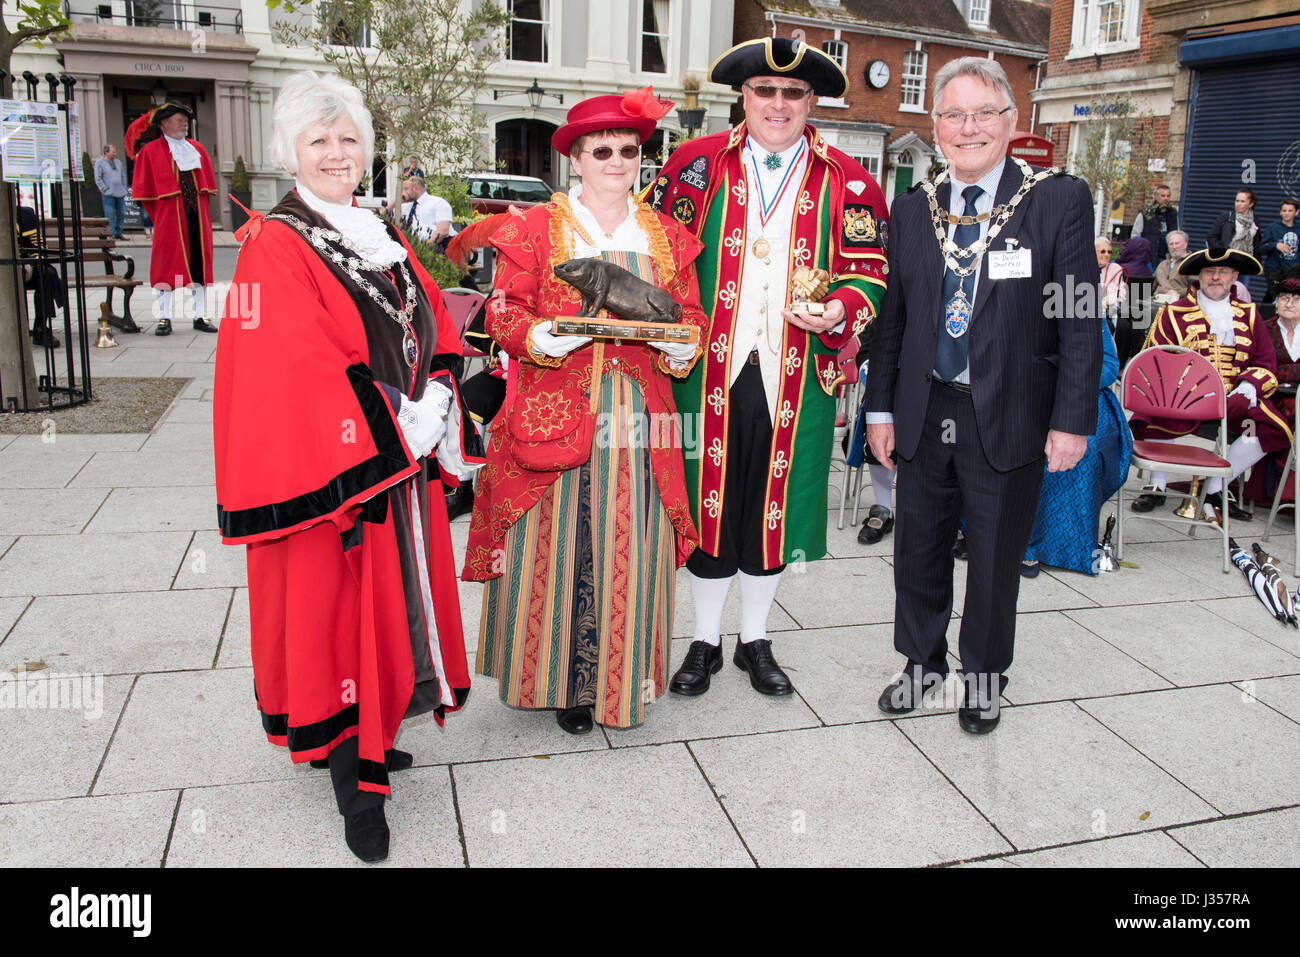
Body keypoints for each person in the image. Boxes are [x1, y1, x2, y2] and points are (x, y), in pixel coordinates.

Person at [213, 71, 478, 863]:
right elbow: (290, 365)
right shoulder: (275, 245)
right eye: (318, 140)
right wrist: (397, 421)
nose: (336, 152)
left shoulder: (378, 229)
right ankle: (355, 787)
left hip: (398, 464)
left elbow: (432, 316)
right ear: (289, 151)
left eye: (348, 138)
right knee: (337, 617)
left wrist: (436, 390)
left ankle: (375, 731)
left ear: (367, 149)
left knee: (394, 607)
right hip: (335, 479)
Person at [462, 88, 708, 735]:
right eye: (603, 149)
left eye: (630, 149)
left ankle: (621, 681)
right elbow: (503, 310)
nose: (618, 160)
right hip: (555, 408)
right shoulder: (538, 228)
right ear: (575, 158)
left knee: (632, 544)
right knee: (560, 543)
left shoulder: (665, 237)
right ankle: (562, 684)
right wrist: (536, 337)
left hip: (638, 414)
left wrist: (679, 349)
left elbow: (691, 320)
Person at [647, 37, 888, 697]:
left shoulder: (850, 179)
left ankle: (755, 637)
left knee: (772, 508)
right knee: (707, 501)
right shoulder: (693, 166)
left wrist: (840, 308)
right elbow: (653, 258)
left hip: (798, 373)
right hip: (704, 370)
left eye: (792, 94)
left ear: (810, 101)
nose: (777, 104)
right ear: (743, 97)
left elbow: (871, 273)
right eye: (764, 91)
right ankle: (703, 639)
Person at [865, 57, 1100, 734]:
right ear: (935, 126)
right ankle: (920, 665)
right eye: (954, 115)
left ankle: (984, 679)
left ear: (1010, 121)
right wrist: (880, 407)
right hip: (926, 405)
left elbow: (1079, 313)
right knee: (917, 547)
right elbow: (895, 321)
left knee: (997, 556)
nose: (969, 129)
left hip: (1011, 411)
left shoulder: (1056, 199)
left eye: (983, 114)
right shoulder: (913, 209)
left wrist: (1073, 419)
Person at [1129, 247, 1290, 523]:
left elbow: (1266, 363)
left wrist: (1247, 389)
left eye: (1223, 272)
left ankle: (1215, 488)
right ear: (1200, 275)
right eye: (1209, 271)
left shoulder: (1250, 314)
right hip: (1183, 397)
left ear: (1235, 276)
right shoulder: (1173, 312)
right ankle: (1157, 484)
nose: (1216, 277)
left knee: (1267, 429)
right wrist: (1186, 392)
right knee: (1155, 412)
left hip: (1235, 399)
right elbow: (1155, 362)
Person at [1022, 324, 1132, 575]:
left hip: (1076, 397)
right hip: (1023, 395)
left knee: (1086, 450)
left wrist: (1068, 384)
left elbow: (1108, 366)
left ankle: (1059, 548)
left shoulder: (1080, 300)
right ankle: (1015, 542)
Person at [130, 103, 217, 336]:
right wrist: (159, 217)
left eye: (185, 120)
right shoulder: (150, 151)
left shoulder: (196, 148)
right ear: (164, 124)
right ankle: (163, 318)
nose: (184, 124)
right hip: (169, 221)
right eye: (179, 120)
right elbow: (144, 191)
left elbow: (206, 186)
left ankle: (200, 315)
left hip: (197, 218)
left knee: (199, 268)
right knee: (165, 267)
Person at [1246, 269, 1300, 506]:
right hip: (1267, 398)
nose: (1289, 303)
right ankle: (1282, 493)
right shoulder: (1262, 328)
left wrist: (1282, 372)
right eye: (1284, 297)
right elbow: (1261, 369)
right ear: (1275, 301)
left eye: (1296, 299)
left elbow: (1277, 369)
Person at [1261, 198, 1299, 302]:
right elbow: (1261, 248)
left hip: (1294, 271)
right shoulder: (1273, 228)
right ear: (1280, 212)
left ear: (1297, 212)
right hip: (1275, 270)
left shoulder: (1299, 228)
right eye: (1284, 210)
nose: (1287, 213)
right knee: (1276, 298)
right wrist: (1275, 245)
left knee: (1291, 299)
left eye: (1290, 211)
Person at [400, 176, 455, 247]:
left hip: (438, 246)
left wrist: (424, 248)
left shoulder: (439, 203)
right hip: (413, 247)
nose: (403, 192)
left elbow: (443, 231)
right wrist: (397, 201)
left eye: (406, 189)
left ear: (416, 188)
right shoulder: (407, 205)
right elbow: (383, 214)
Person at [1208, 188, 1261, 259]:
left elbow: (1256, 245)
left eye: (1242, 201)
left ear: (1251, 204)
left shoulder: (1254, 221)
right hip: (1227, 259)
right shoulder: (1226, 217)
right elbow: (1211, 237)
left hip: (1247, 260)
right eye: (1237, 201)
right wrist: (1222, 252)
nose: (1238, 204)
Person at [1132, 184, 1178, 261]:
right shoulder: (1146, 213)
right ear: (1156, 196)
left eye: (1168, 196)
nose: (1166, 198)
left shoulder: (1173, 213)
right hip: (1148, 255)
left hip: (1167, 255)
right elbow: (1135, 235)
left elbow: (1177, 234)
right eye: (1163, 196)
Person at [93, 144, 128, 240]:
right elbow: (98, 178)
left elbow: (123, 176)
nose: (115, 154)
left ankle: (119, 233)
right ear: (106, 152)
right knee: (110, 215)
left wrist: (124, 188)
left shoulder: (118, 162)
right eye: (113, 152)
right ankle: (111, 234)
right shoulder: (100, 163)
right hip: (108, 194)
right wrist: (104, 189)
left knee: (121, 213)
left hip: (120, 193)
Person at [1153, 229, 1191, 301]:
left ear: (1185, 244)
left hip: (1180, 303)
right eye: (1171, 244)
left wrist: (1176, 293)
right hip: (1158, 302)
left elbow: (1195, 288)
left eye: (1177, 243)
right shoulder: (1162, 265)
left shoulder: (1192, 263)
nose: (1174, 247)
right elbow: (1152, 286)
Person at [1097, 237, 1126, 323]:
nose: (1106, 254)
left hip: (1110, 309)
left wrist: (1108, 302)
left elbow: (1122, 293)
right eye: (1103, 251)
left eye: (1109, 252)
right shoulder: (1086, 268)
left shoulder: (1116, 269)